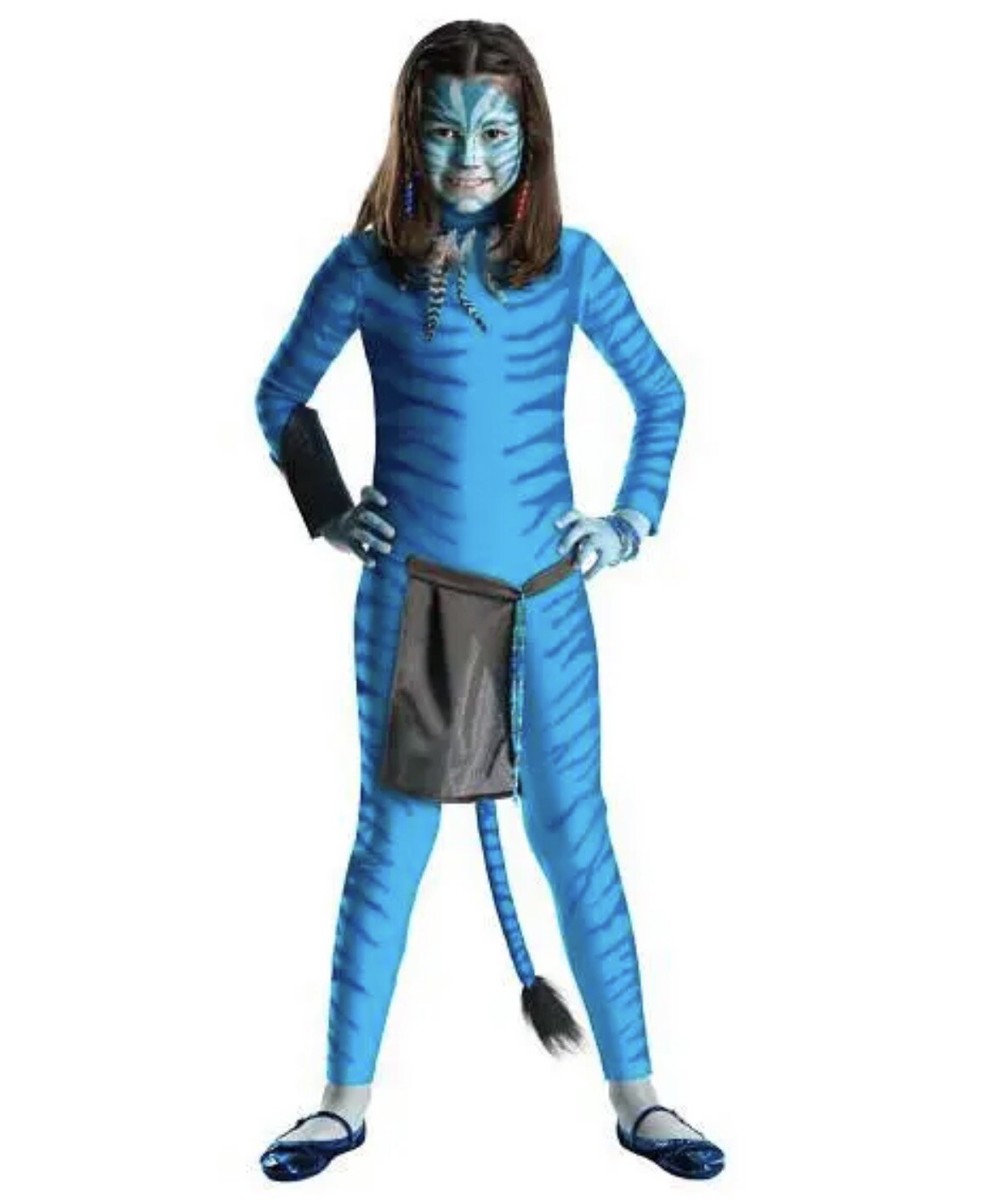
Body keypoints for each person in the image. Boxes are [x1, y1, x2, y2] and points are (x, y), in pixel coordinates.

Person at [254, 18, 724, 1183]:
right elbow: (278, 398)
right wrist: (327, 509)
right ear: (408, 134)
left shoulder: (574, 265)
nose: (469, 157)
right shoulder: (364, 268)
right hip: (413, 604)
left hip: (548, 602)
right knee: (395, 841)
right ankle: (340, 1103)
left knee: (574, 835)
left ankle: (639, 1097)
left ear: (531, 139)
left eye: (495, 133)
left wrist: (629, 519)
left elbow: (660, 398)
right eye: (445, 130)